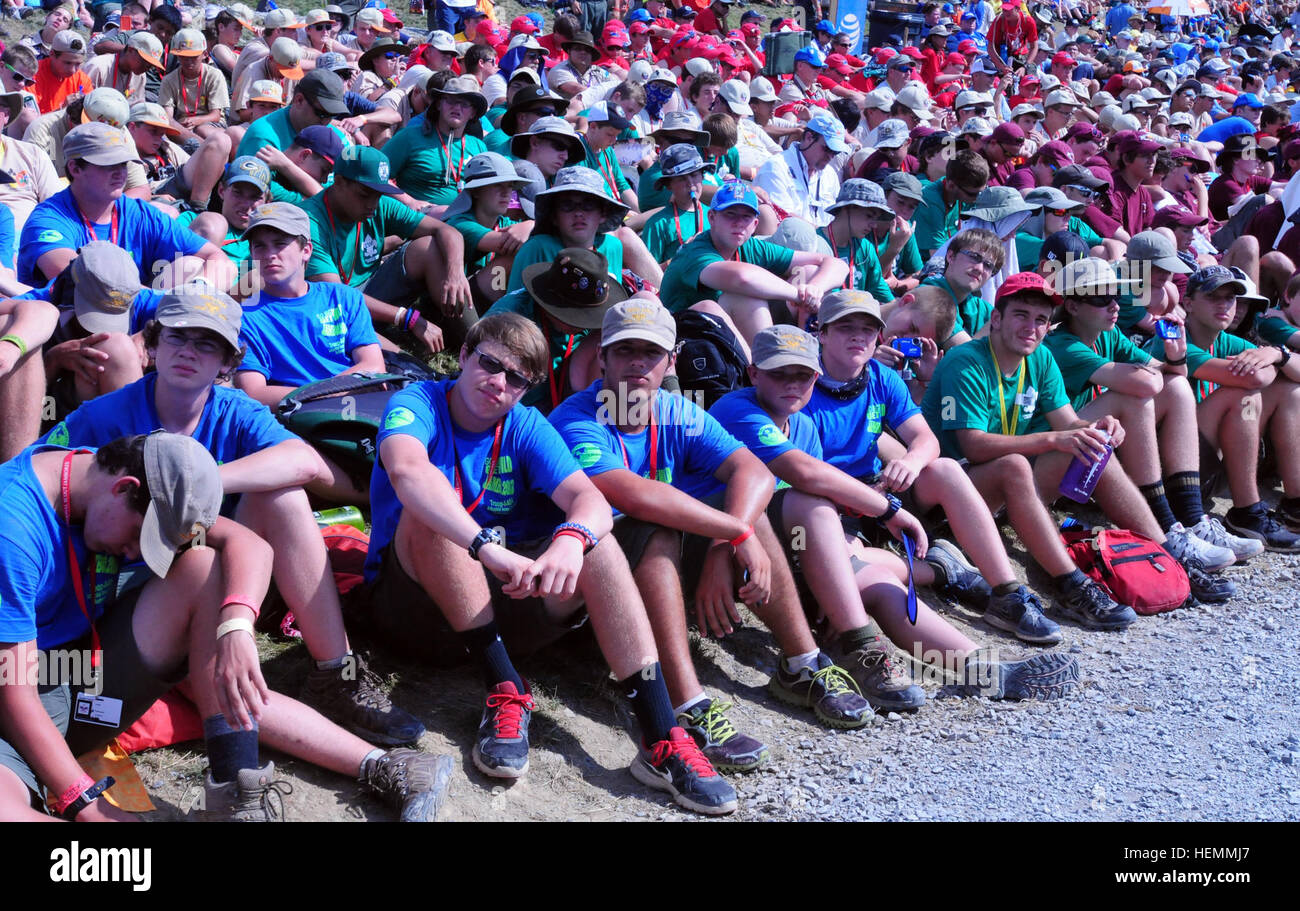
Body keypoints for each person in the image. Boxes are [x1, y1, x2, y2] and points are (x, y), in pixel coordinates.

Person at [365, 310, 738, 814]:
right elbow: (409, 471)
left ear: (529, 387)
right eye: (489, 364)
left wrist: (569, 540)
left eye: (517, 378)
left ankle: (660, 737)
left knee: (596, 543)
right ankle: (506, 688)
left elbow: (590, 501)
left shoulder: (526, 425)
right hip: (410, 609)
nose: (498, 383)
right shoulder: (420, 400)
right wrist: (485, 547)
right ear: (465, 355)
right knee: (429, 517)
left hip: (499, 605)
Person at [0, 432, 455, 822]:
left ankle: (235, 788)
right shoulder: (13, 528)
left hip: (74, 674)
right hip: (14, 707)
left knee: (205, 565)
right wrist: (85, 801)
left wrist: (236, 626)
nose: (135, 554)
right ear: (124, 488)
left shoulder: (99, 477)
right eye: (141, 536)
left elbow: (247, 543)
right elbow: (15, 694)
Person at [40, 287, 425, 745]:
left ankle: (334, 674)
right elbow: (40, 480)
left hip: (217, 557)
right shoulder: (104, 415)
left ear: (227, 362)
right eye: (178, 337)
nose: (188, 352)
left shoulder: (233, 411)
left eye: (207, 343)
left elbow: (302, 461)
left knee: (282, 496)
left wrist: (200, 482)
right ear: (154, 345)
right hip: (127, 578)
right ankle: (244, 745)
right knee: (201, 626)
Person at [550, 299, 873, 773]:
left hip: (656, 577)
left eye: (651, 352)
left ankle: (802, 665)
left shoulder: (675, 409)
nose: (638, 362)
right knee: (658, 524)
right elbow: (633, 495)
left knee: (744, 508)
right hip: (591, 594)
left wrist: (728, 544)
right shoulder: (576, 418)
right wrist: (735, 532)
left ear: (670, 361)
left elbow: (753, 470)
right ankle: (688, 707)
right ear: (602, 358)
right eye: (625, 351)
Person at [711, 322, 1081, 702]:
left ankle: (984, 670)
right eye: (779, 374)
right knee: (819, 513)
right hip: (739, 553)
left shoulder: (803, 423)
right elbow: (804, 475)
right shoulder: (738, 409)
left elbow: (832, 496)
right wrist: (887, 510)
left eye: (802, 375)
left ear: (815, 376)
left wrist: (837, 575)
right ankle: (872, 631)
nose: (792, 383)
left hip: (788, 556)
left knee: (883, 589)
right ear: (754, 373)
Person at [1044, 257, 1258, 568]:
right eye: (1102, 298)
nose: (1115, 306)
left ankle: (1193, 519)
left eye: (1117, 296)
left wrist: (1176, 354)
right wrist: (1161, 369)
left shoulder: (1108, 333)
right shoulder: (1062, 343)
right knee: (1139, 398)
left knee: (1177, 388)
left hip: (1094, 450)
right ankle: (1167, 526)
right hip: (1059, 461)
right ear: (1073, 306)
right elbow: (1144, 383)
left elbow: (1173, 373)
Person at [1144, 266, 1300, 550]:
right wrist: (1269, 362)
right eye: (1214, 296)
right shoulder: (1172, 341)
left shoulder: (1225, 340)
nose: (1226, 305)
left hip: (1213, 457)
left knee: (1290, 390)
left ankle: (1295, 502)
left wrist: (1278, 353)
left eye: (1230, 298)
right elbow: (1255, 377)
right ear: (1188, 303)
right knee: (1245, 397)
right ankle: (1247, 511)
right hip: (1175, 473)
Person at [18, 122, 234, 291]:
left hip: (132, 313)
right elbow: (83, 280)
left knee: (192, 269)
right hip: (74, 326)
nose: (120, 173)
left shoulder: (138, 213)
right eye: (108, 164)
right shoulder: (49, 218)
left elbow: (218, 258)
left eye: (123, 163)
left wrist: (200, 289)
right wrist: (156, 301)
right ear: (75, 168)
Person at [300, 146, 475, 354]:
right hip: (333, 311)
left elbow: (446, 230)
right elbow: (337, 296)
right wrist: (405, 317)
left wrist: (455, 273)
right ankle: (402, 361)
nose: (373, 204)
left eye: (379, 194)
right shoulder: (309, 221)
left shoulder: (380, 204)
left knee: (428, 247)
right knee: (409, 369)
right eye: (365, 194)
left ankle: (476, 342)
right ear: (338, 183)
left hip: (369, 294)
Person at [658, 181, 847, 346]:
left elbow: (837, 264)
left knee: (807, 272)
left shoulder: (751, 246)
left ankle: (807, 352)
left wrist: (815, 289)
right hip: (683, 337)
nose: (739, 223)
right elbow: (742, 277)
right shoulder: (697, 250)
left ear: (755, 224)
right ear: (712, 218)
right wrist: (800, 295)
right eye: (730, 214)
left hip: (724, 331)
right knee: (744, 298)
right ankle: (769, 369)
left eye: (746, 217)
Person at [234, 202, 384, 407]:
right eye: (260, 246)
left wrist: (319, 393)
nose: (269, 255)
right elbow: (254, 393)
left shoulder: (343, 297)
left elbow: (374, 365)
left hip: (358, 410)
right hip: (301, 419)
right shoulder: (245, 318)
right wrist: (331, 395)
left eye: (280, 244)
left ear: (306, 250)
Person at [442, 152, 534, 309]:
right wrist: (532, 225)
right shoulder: (460, 222)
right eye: (497, 184)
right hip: (456, 303)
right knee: (511, 259)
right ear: (476, 191)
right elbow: (505, 242)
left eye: (510, 185)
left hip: (482, 294)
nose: (507, 193)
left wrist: (532, 224)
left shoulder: (504, 221)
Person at [384, 75, 488, 210]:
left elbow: (487, 190)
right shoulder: (410, 137)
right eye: (451, 101)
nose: (457, 108)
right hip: (419, 219)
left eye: (464, 104)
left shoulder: (478, 146)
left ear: (473, 113)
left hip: (464, 220)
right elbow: (377, 174)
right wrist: (409, 202)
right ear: (439, 104)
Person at [126, 101, 232, 213]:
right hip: (155, 198)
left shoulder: (165, 146)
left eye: (162, 134)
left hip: (178, 185)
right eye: (153, 132)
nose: (158, 138)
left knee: (220, 140)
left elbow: (191, 167)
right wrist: (152, 197)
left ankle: (197, 209)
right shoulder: (121, 154)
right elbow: (118, 196)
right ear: (132, 127)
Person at [755, 111, 846, 228]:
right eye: (827, 149)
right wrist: (824, 234)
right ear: (808, 137)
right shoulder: (776, 167)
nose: (831, 156)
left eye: (836, 152)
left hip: (825, 241)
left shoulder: (830, 174)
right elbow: (780, 217)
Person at [640, 143, 711, 265]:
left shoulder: (715, 216)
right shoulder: (657, 224)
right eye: (682, 178)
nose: (690, 183)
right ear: (668, 185)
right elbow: (647, 275)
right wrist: (680, 257)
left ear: (702, 176)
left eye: (694, 175)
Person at [158, 28, 230, 142]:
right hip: (183, 125)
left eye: (194, 57)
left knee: (203, 130)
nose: (188, 62)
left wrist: (195, 121)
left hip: (211, 124)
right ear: (177, 56)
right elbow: (168, 116)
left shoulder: (214, 75)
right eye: (184, 57)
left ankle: (201, 146)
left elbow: (215, 115)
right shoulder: (169, 80)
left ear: (205, 54)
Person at [32, 30, 92, 115]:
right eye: (67, 63)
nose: (72, 70)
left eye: (77, 64)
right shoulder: (32, 75)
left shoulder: (82, 80)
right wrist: (62, 110)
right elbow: (28, 121)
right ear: (52, 54)